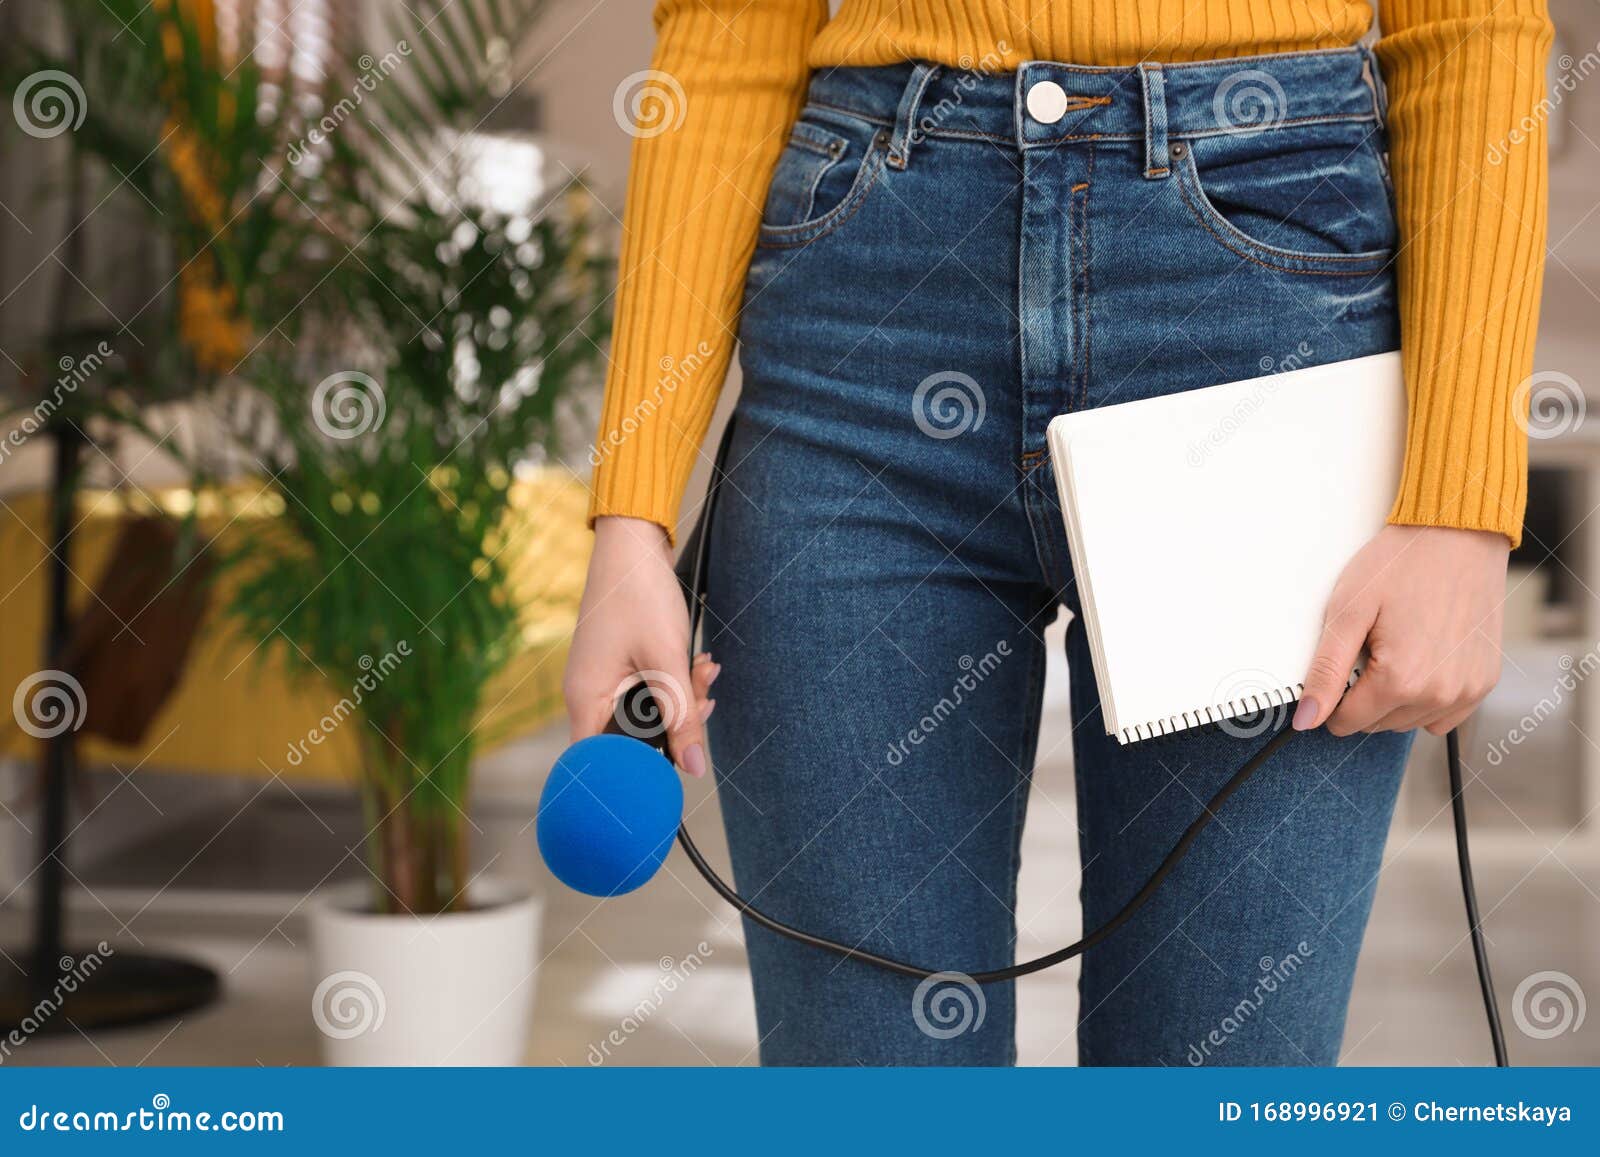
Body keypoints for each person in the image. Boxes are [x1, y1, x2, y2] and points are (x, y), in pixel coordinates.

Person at [564, 1, 1552, 1066]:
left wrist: (1460, 507)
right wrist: (631, 518)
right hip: (864, 314)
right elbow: (727, 29)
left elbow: (1474, 25)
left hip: (1265, 302)